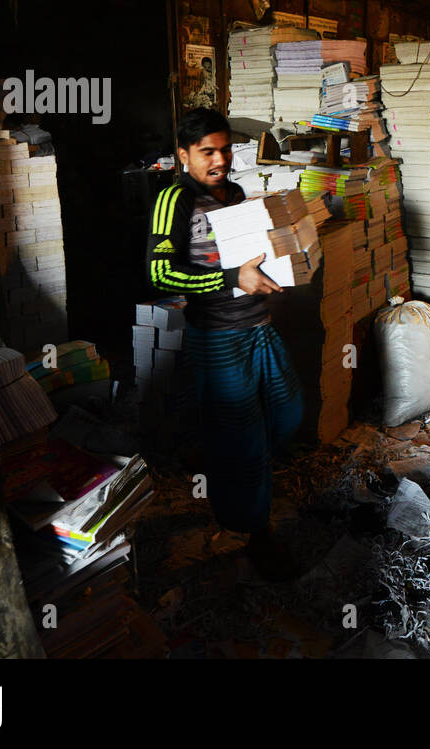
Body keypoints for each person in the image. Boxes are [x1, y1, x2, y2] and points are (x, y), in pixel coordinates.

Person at [145, 107, 303, 579]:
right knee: (247, 440)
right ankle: (253, 530)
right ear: (183, 155)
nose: (219, 160)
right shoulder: (173, 199)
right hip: (217, 336)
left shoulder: (234, 193)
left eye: (224, 149)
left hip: (258, 324)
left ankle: (227, 461)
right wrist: (234, 278)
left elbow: (249, 250)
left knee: (290, 410)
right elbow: (159, 273)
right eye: (206, 152)